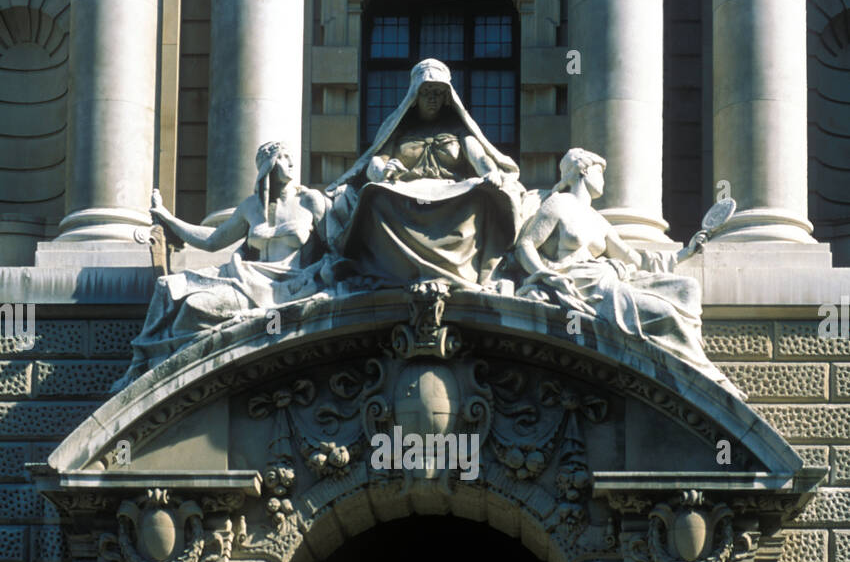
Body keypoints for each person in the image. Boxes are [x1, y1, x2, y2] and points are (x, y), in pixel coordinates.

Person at [515, 148, 741, 394]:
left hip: (608, 275)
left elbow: (632, 258)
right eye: (599, 172)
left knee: (688, 288)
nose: (603, 179)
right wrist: (545, 275)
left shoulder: (598, 220)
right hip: (580, 282)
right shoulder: (560, 203)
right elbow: (525, 245)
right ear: (583, 171)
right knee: (664, 313)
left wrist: (685, 253)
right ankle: (706, 381)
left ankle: (700, 366)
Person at [113, 141, 331, 388]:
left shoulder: (310, 201)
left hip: (290, 286)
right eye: (283, 157)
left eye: (291, 157)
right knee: (168, 285)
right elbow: (212, 241)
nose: (291, 162)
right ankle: (141, 367)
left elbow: (334, 245)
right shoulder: (252, 206)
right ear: (268, 166)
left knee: (193, 307)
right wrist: (168, 218)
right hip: (248, 279)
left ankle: (185, 375)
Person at [326, 58, 524, 285]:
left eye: (438, 93)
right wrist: (384, 172)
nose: (432, 98)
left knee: (479, 198)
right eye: (427, 91)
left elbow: (480, 158)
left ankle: (461, 274)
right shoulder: (398, 129)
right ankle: (391, 272)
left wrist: (491, 173)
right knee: (376, 196)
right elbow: (375, 163)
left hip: (452, 191)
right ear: (415, 95)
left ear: (447, 97)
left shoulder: (458, 130)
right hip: (404, 190)